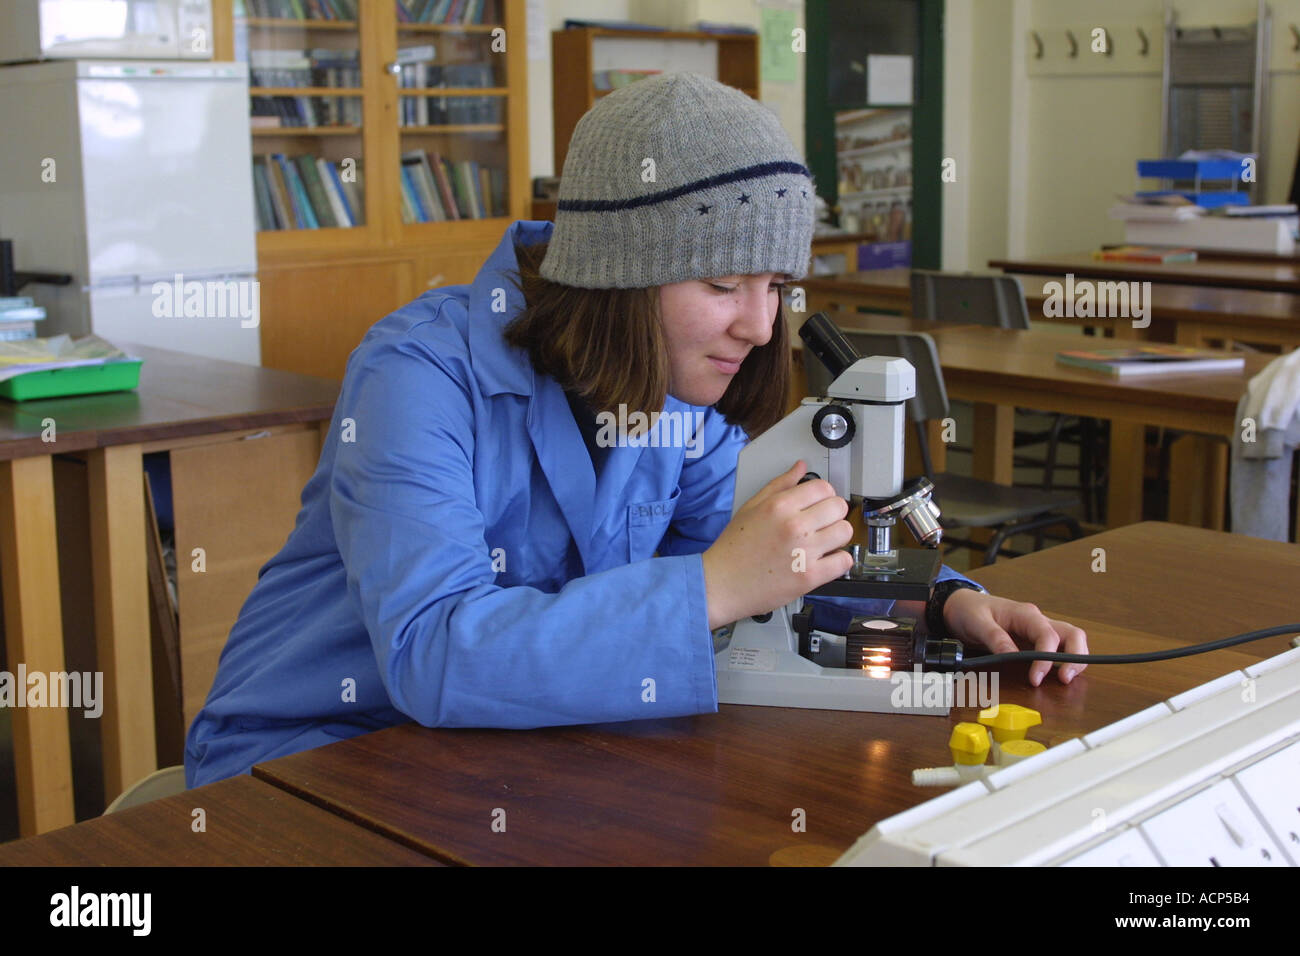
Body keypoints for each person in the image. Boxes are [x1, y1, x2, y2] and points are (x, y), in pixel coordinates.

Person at [185, 73, 1088, 787]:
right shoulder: (416, 377)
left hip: (522, 751)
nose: (762, 327)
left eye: (775, 286)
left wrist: (940, 601)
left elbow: (774, 546)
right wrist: (708, 588)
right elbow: (433, 655)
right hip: (312, 762)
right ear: (618, 275)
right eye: (722, 285)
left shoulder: (676, 395)